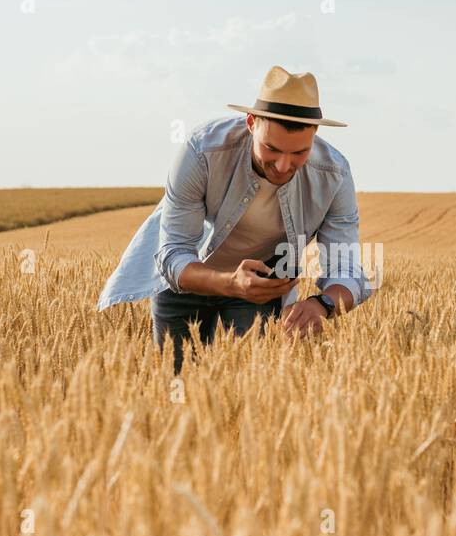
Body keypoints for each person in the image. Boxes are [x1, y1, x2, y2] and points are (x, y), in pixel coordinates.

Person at [96, 66, 375, 372]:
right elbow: (173, 253)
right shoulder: (203, 150)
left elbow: (346, 268)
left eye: (299, 153)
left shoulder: (333, 174)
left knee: (247, 385)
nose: (283, 165)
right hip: (187, 278)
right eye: (271, 149)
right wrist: (229, 283)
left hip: (259, 289)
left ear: (315, 135)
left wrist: (321, 304)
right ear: (252, 123)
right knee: (174, 382)